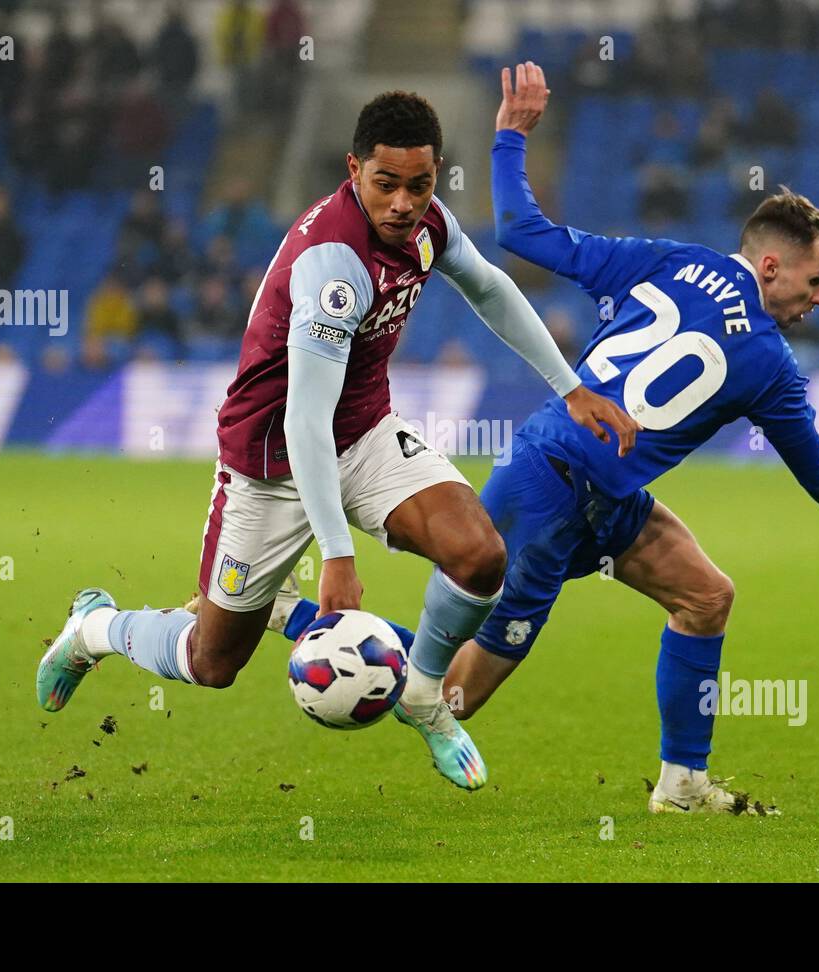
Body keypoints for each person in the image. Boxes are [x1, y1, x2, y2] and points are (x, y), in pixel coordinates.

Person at [267, 63, 819, 815]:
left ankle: (682, 786)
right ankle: (299, 619)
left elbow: (524, 234)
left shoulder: (669, 260)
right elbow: (817, 470)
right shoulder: (770, 366)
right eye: (816, 282)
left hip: (605, 490)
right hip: (550, 490)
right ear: (772, 265)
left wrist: (510, 139)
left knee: (706, 596)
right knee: (452, 697)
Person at [35, 89, 636, 792]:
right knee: (211, 664)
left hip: (365, 434)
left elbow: (491, 288)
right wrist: (338, 556)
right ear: (353, 169)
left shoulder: (428, 226)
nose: (404, 203)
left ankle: (421, 696)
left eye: (420, 184)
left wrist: (571, 386)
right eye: (387, 184)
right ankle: (95, 629)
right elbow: (302, 423)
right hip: (270, 462)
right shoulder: (333, 267)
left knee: (478, 557)